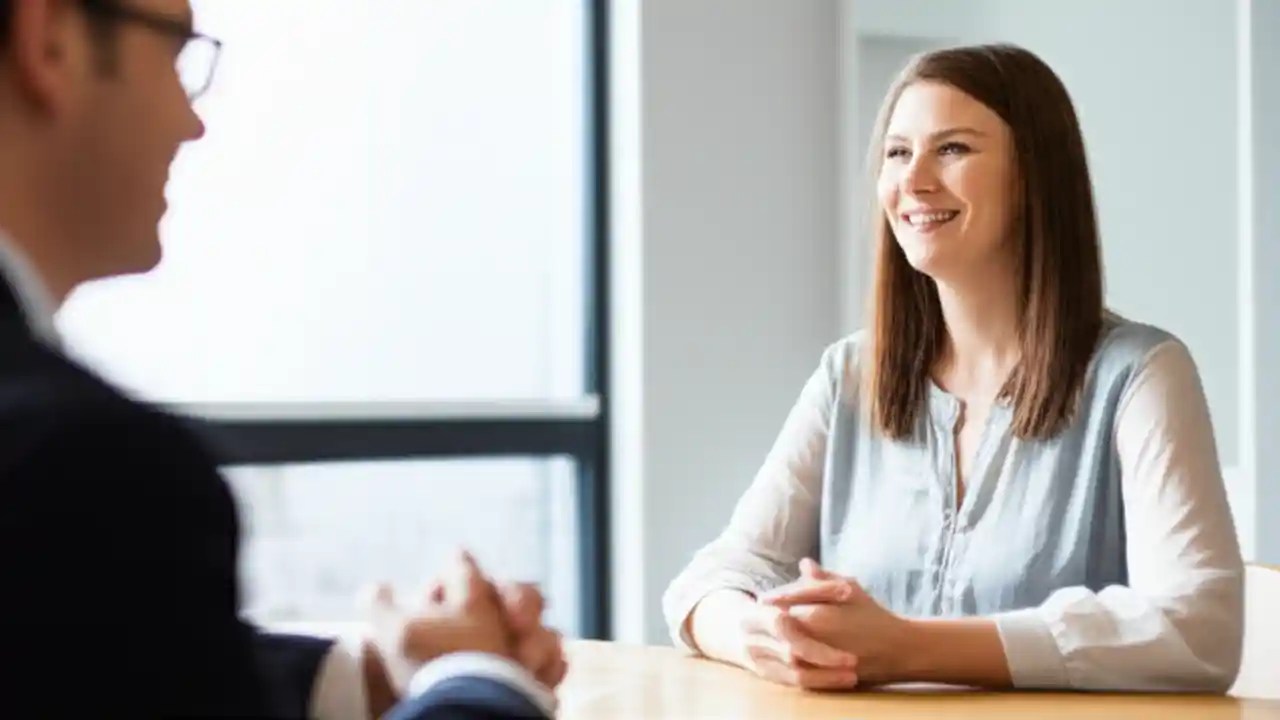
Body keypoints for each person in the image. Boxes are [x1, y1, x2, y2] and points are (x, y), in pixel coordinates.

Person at [0, 0, 564, 717]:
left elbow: (81, 658)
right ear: (47, 40)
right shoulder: (83, 464)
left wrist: (365, 672)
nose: (191, 121)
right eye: (176, 54)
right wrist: (481, 686)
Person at [663, 43, 1244, 693]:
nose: (913, 181)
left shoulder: (1142, 376)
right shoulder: (847, 376)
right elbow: (711, 580)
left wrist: (909, 648)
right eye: (897, 152)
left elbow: (1200, 629)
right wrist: (759, 635)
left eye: (953, 149)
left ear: (1035, 176)